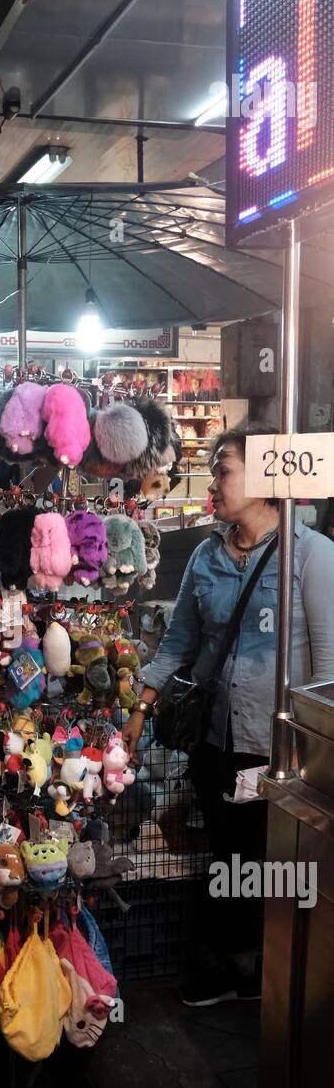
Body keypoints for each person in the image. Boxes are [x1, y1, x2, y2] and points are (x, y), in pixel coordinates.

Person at [123, 424, 334, 1007]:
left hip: (284, 750)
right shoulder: (206, 556)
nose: (213, 481)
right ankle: (245, 968)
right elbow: (177, 645)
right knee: (233, 856)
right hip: (218, 740)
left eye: (224, 469)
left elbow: (328, 668)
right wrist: (141, 707)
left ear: (268, 477)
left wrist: (314, 755)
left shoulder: (311, 557)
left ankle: (272, 971)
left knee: (277, 865)